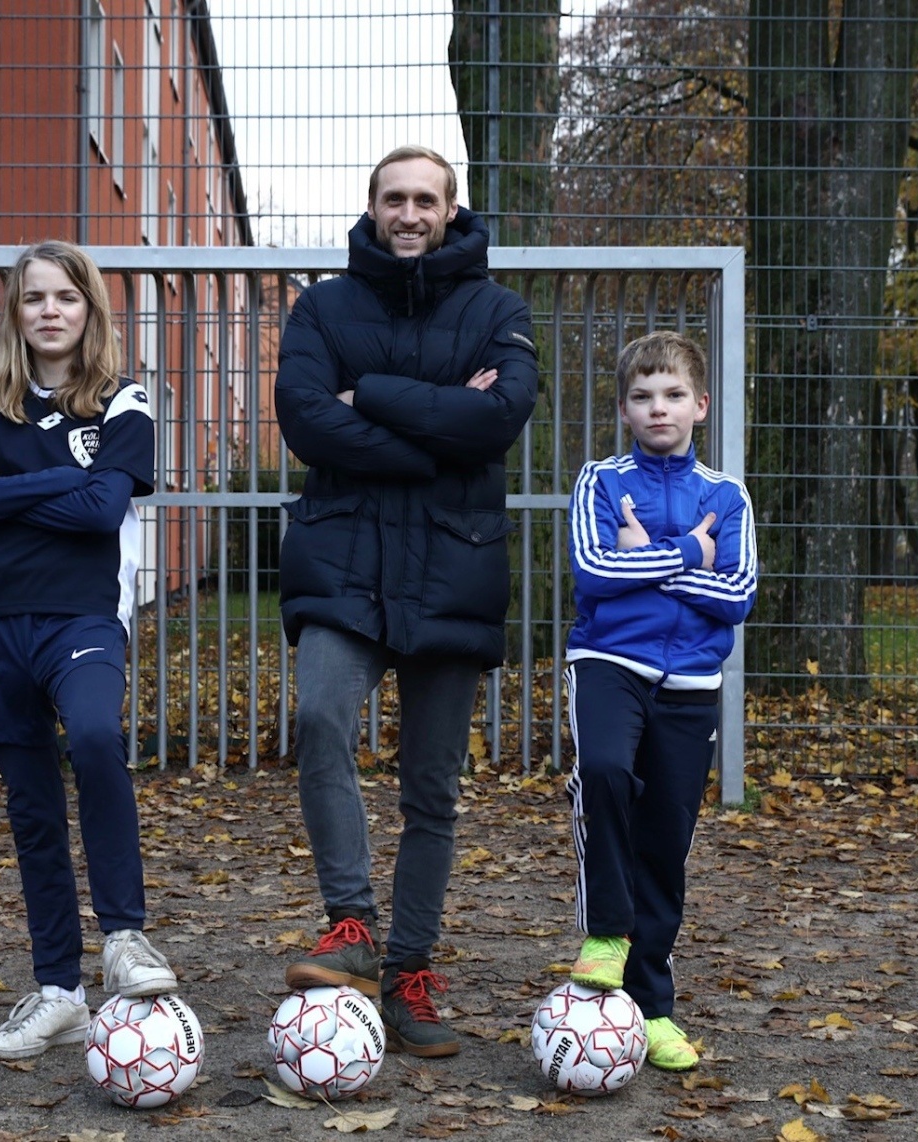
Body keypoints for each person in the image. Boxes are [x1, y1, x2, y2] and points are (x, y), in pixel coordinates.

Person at [274, 145, 538, 1058]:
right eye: (395, 198)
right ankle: (350, 923)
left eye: (427, 198)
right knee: (318, 718)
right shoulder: (323, 305)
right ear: (373, 207)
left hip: (452, 569)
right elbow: (307, 418)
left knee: (433, 789)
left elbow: (500, 417)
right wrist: (435, 435)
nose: (410, 213)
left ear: (451, 209)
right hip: (343, 561)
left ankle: (410, 972)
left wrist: (375, 398)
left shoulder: (498, 309)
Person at [0, 240, 177, 1061]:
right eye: (34, 297)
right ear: (17, 311)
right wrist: (50, 483)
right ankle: (58, 992)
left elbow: (103, 507)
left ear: (89, 310)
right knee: (32, 809)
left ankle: (124, 937)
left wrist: (10, 491)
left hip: (82, 617)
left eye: (65, 297)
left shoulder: (123, 399)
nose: (49, 310)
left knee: (99, 737)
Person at [562, 330, 757, 1071]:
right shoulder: (601, 482)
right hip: (609, 662)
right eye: (643, 397)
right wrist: (687, 555)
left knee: (667, 844)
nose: (659, 408)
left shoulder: (726, 495)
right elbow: (592, 571)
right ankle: (607, 934)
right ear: (624, 409)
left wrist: (642, 559)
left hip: (692, 684)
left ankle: (653, 1006)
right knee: (606, 773)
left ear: (700, 405)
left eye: (674, 394)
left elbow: (736, 595)